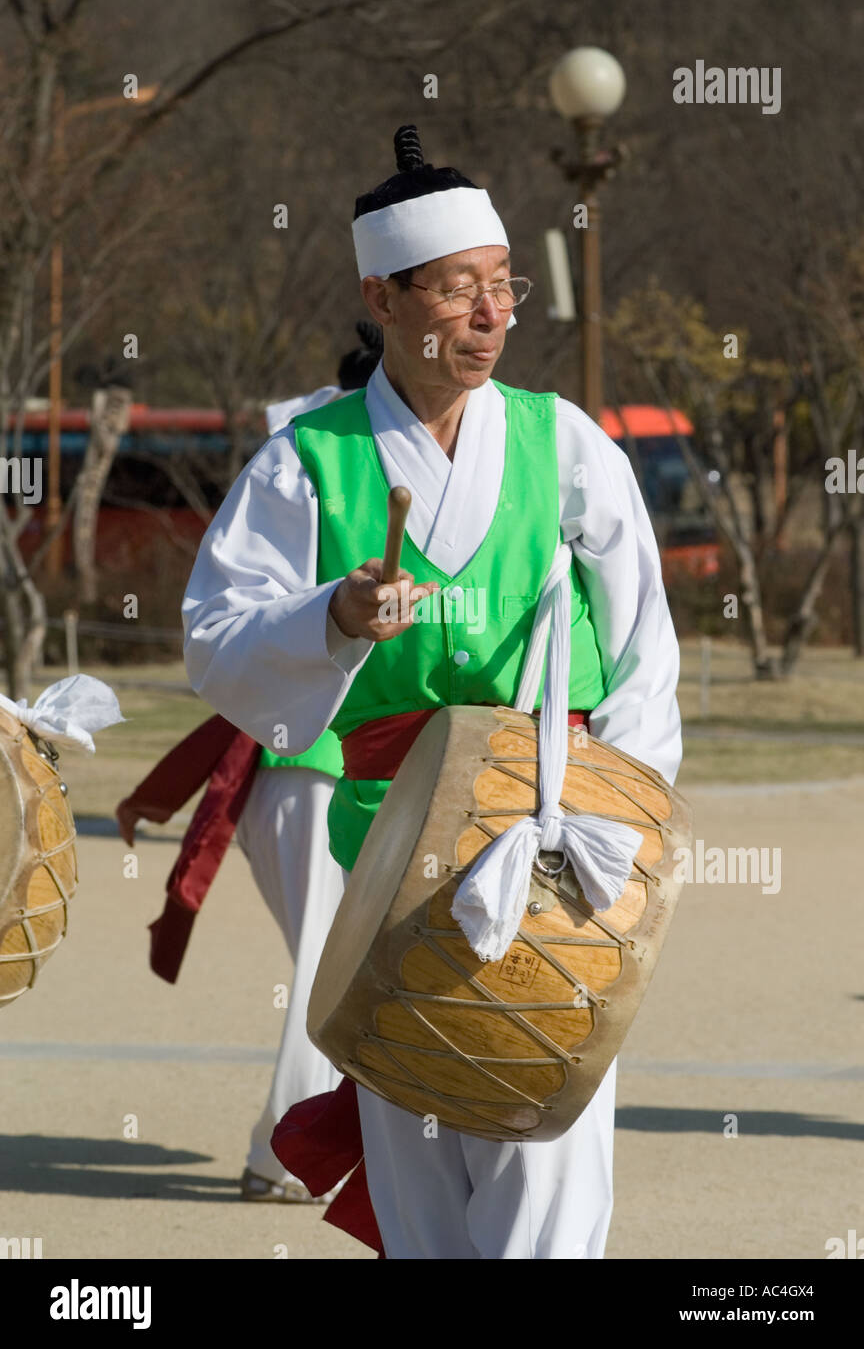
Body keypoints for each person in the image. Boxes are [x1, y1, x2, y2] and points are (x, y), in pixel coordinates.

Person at [181, 124, 682, 1258]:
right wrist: (332, 617)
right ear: (385, 297)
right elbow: (213, 635)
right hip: (387, 851)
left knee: (543, 1161)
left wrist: (622, 816)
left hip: (549, 837)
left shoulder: (564, 446)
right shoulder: (308, 458)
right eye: (457, 292)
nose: (492, 314)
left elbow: (645, 638)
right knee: (419, 1180)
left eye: (501, 288)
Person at [117, 325, 382, 1205]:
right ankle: (285, 1154)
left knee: (339, 960)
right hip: (310, 762)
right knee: (327, 962)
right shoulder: (329, 465)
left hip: (311, 764)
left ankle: (310, 1145)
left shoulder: (327, 456)